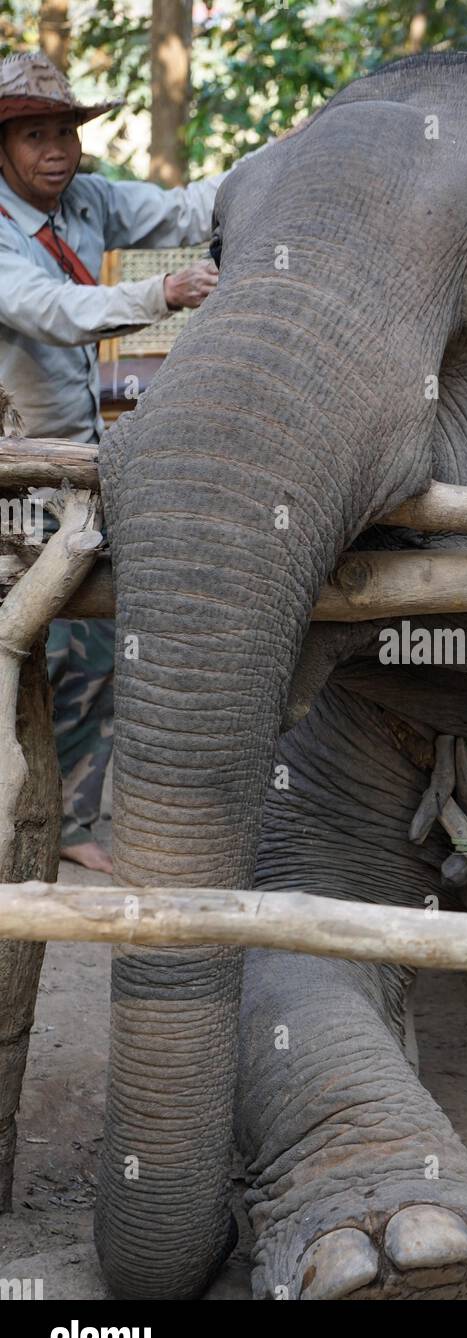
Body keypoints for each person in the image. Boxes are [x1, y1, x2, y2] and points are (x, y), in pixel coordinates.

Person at [0, 50, 231, 873]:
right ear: (3, 147)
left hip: (78, 467)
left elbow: (185, 208)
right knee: (37, 641)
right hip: (13, 472)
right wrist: (160, 293)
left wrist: (293, 148)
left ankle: (69, 819)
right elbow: (54, 312)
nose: (56, 149)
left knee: (89, 643)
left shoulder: (89, 201)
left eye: (64, 131)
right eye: (35, 135)